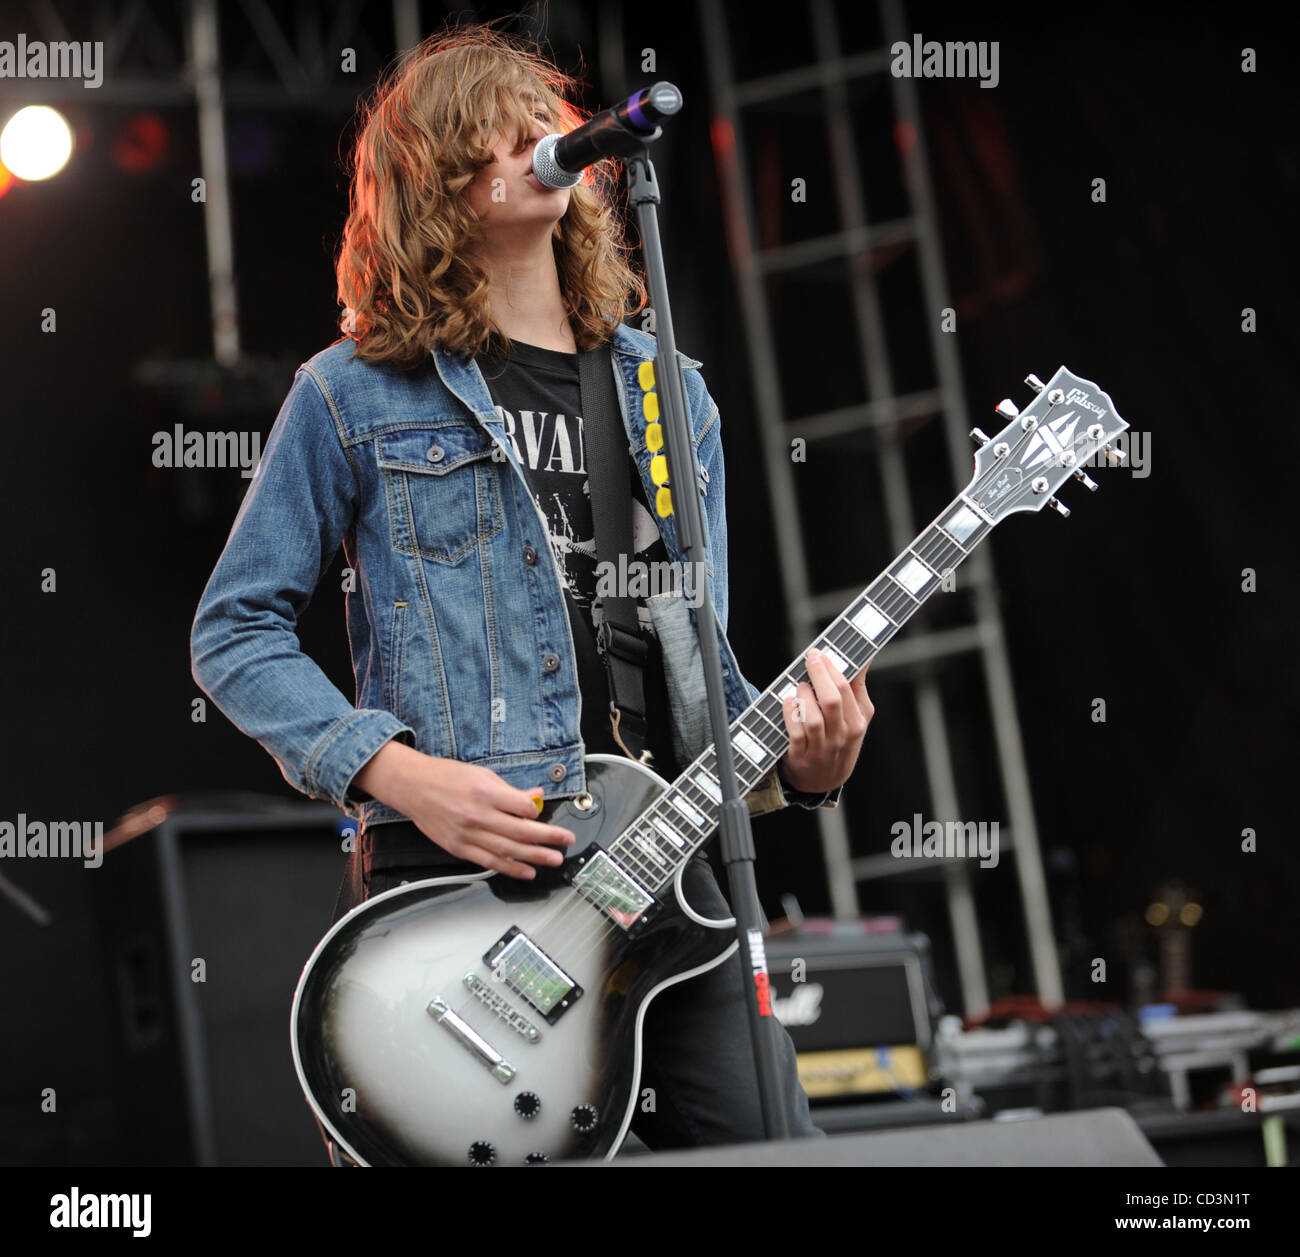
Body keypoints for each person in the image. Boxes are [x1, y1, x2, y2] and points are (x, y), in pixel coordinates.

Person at [190, 22, 873, 1160]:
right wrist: (401, 777)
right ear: (430, 188)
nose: (531, 150)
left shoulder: (668, 395)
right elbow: (235, 632)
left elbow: (692, 655)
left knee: (778, 1152)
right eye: (486, 140)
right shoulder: (352, 394)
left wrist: (805, 767)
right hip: (454, 892)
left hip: (663, 883)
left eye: (539, 129)